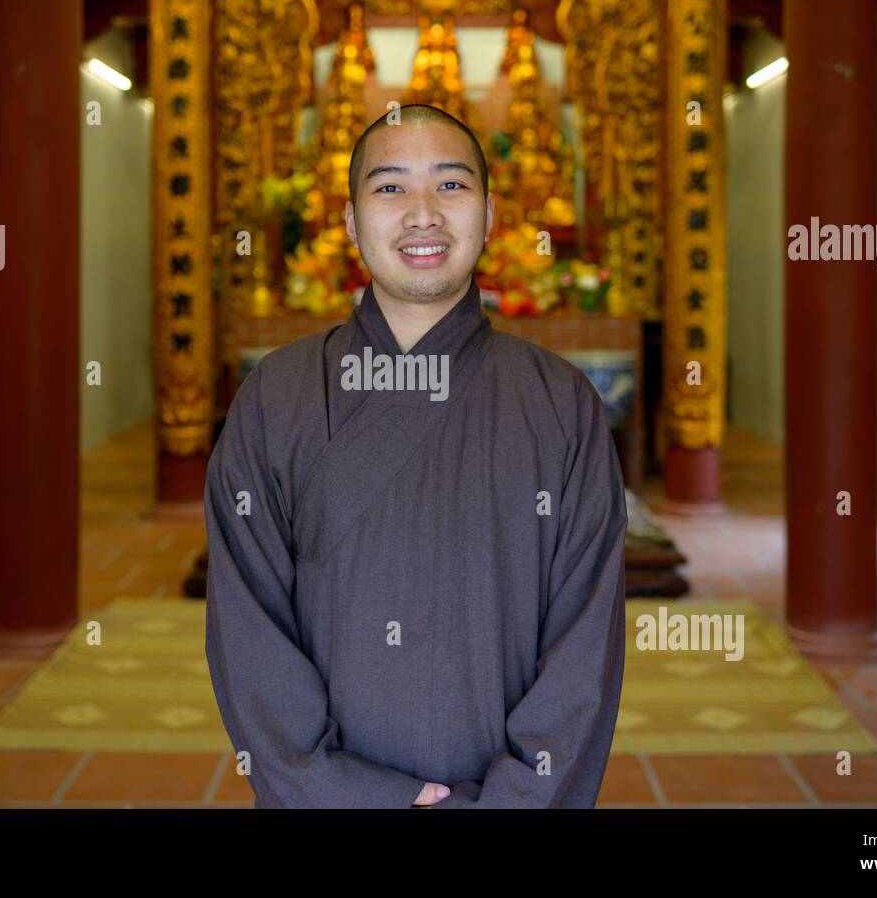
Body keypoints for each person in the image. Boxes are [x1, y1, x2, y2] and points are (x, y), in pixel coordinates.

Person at [204, 103, 627, 808]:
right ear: (348, 220)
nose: (423, 213)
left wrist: (516, 800)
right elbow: (248, 640)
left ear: (490, 215)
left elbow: (586, 652)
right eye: (391, 186)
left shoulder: (562, 406)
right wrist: (342, 795)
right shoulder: (275, 399)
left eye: (452, 185)